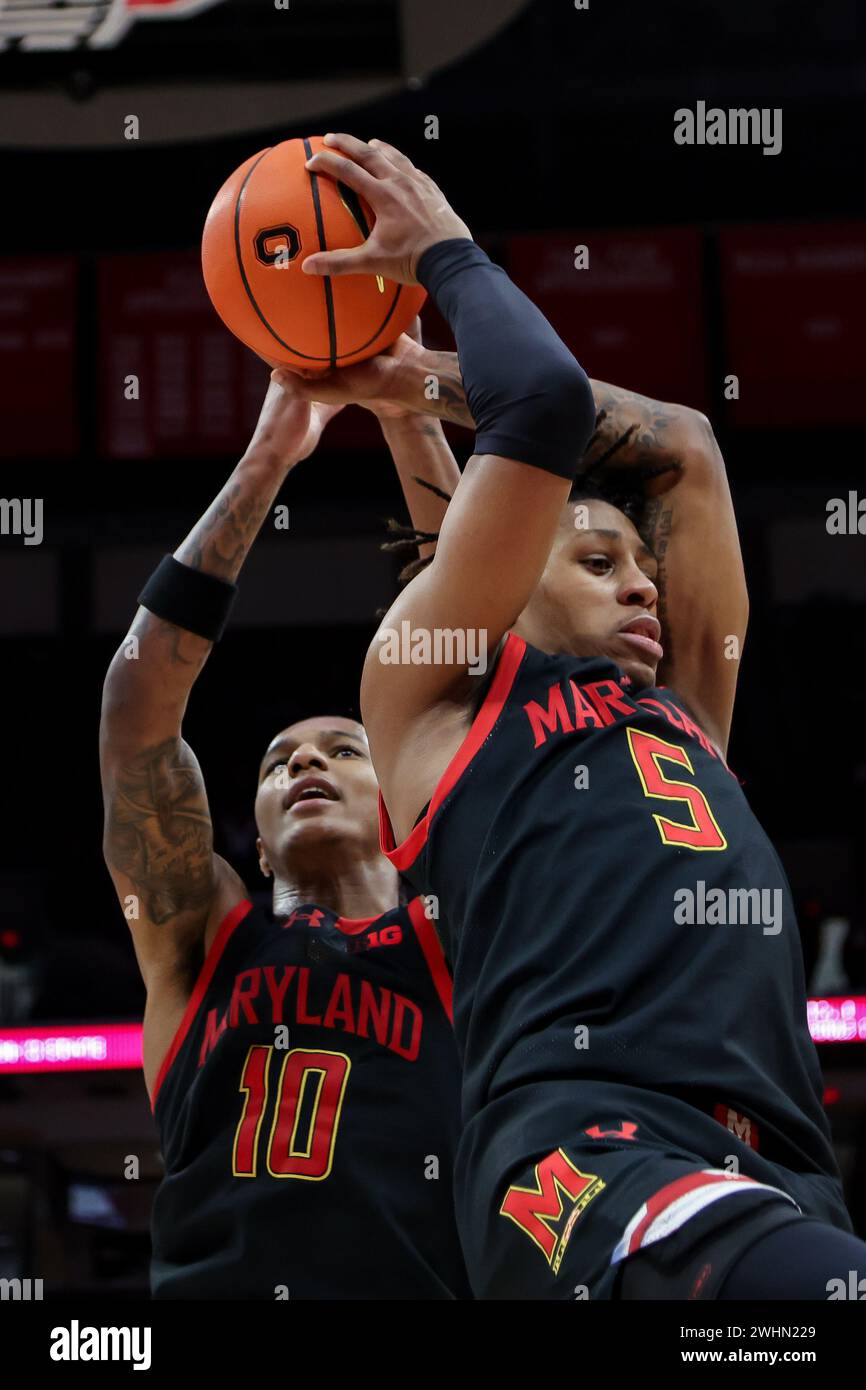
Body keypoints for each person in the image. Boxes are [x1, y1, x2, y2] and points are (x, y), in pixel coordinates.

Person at [294, 131, 866, 1299]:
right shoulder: (441, 707)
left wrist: (414, 385)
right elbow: (543, 401)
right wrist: (449, 257)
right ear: (498, 588)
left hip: (779, 1170)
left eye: (636, 565)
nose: (643, 583)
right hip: (587, 1157)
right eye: (597, 559)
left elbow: (686, 450)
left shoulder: (686, 719)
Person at [99, 371, 469, 1299]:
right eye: (276, 764)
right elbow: (137, 712)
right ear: (255, 846)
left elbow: (482, 636)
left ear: (398, 812)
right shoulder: (203, 941)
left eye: (344, 749)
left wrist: (406, 412)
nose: (304, 765)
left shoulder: (460, 933)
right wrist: (270, 457)